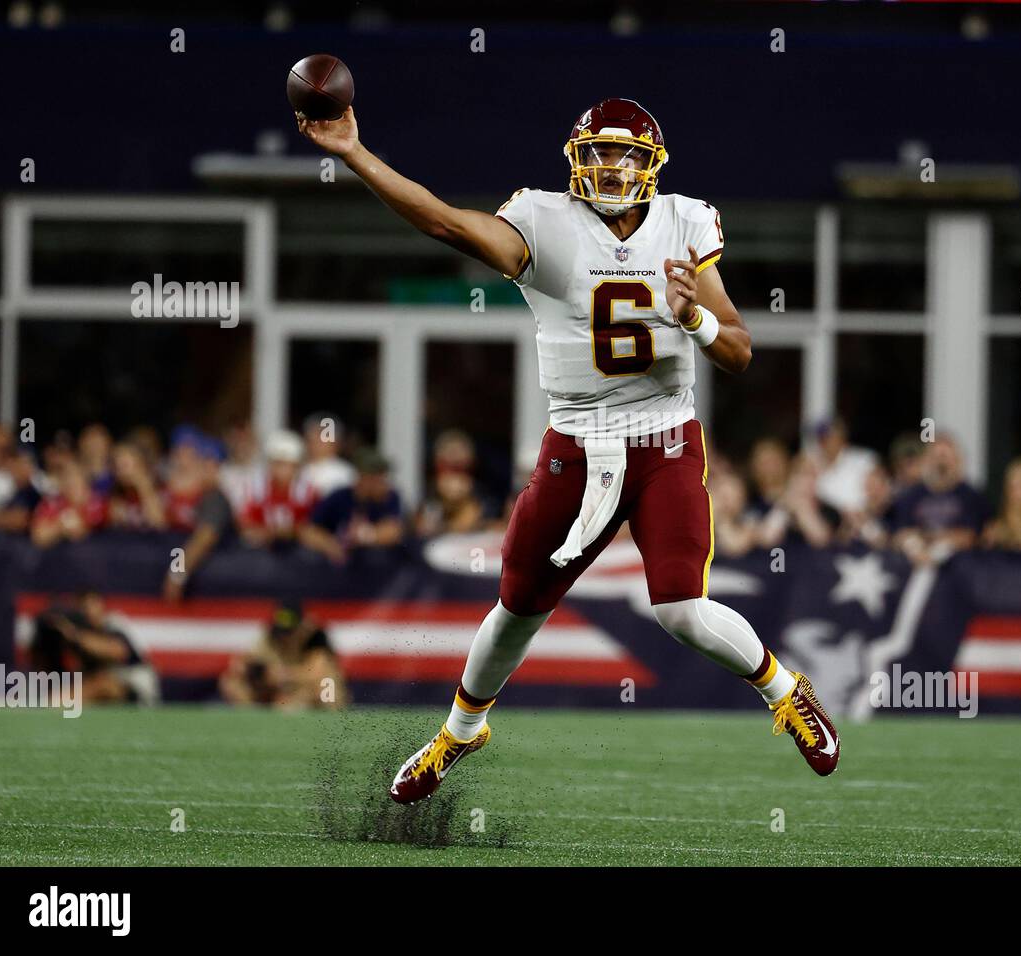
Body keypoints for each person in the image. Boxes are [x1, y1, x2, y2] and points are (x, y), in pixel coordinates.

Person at [297, 95, 839, 803]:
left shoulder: (685, 221)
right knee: (517, 606)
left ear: (651, 165)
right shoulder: (542, 220)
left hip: (663, 439)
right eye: (600, 153)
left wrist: (695, 316)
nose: (611, 168)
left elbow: (737, 350)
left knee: (679, 608)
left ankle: (785, 692)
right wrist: (356, 155)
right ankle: (460, 733)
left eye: (625, 155)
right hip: (576, 445)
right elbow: (443, 221)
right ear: (577, 159)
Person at [29, 592, 158, 704]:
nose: (88, 611)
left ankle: (48, 704)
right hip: (105, 692)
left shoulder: (112, 623)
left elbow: (117, 651)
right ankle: (47, 702)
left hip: (136, 688)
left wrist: (74, 635)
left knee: (102, 683)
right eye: (83, 608)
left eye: (91, 605)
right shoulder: (82, 631)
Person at [219, 600, 348, 710]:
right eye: (282, 632)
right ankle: (252, 718)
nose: (285, 638)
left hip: (306, 693)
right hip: (277, 692)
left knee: (328, 685)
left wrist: (282, 675)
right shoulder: (270, 637)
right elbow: (242, 664)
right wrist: (254, 671)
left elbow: (320, 674)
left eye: (290, 633)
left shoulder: (316, 640)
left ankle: (330, 721)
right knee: (232, 682)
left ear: (303, 627)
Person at [888, 434, 989, 565]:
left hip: (957, 567)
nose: (941, 463)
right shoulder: (910, 496)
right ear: (925, 461)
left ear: (958, 461)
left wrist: (927, 539)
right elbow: (900, 535)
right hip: (914, 562)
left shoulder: (971, 496)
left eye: (946, 457)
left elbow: (967, 537)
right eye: (936, 457)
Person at [162, 432, 236, 602]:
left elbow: (204, 536)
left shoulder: (214, 497)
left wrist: (176, 574)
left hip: (214, 585)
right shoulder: (179, 494)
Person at [299, 448, 404, 561]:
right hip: (338, 565)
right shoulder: (339, 497)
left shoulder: (390, 497)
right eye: (375, 477)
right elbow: (308, 531)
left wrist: (365, 535)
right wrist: (329, 545)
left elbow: (393, 531)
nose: (381, 483)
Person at [239, 429, 316, 548]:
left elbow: (312, 528)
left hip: (296, 549)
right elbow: (245, 523)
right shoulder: (256, 487)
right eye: (278, 464)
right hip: (262, 549)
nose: (282, 470)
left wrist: (285, 532)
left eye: (288, 465)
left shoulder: (307, 491)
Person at [414, 430, 489, 536]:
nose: (454, 480)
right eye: (447, 467)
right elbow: (423, 527)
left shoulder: (480, 493)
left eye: (459, 468)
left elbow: (481, 522)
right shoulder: (430, 494)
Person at [811, 416, 879, 516]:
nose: (825, 442)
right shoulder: (813, 467)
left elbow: (879, 493)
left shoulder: (864, 459)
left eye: (829, 436)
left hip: (865, 518)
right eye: (821, 438)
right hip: (832, 522)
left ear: (842, 437)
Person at [30, 460, 106, 548]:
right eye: (67, 479)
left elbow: (80, 531)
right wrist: (60, 526)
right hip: (61, 555)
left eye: (77, 479)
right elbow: (39, 536)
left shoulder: (99, 502)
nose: (72, 484)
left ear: (85, 482)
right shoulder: (53, 503)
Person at [300, 413, 357, 499]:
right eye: (313, 437)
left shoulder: (345, 472)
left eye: (321, 439)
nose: (316, 443)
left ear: (336, 443)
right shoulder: (299, 469)